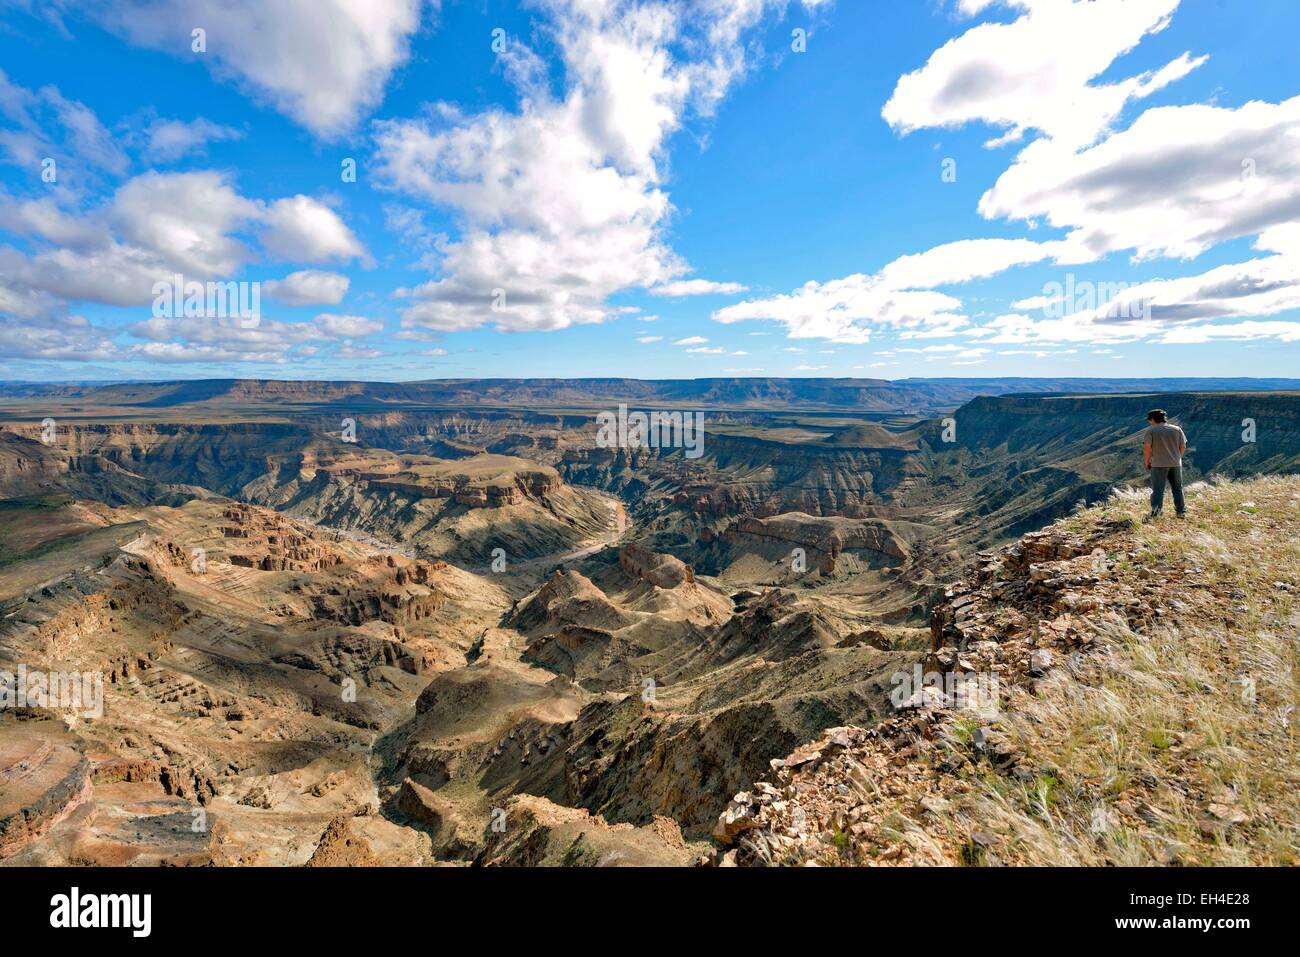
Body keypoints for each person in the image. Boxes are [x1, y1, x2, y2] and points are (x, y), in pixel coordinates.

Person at [1143, 409, 1187, 518]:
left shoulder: (1151, 430)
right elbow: (1183, 446)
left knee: (1158, 489)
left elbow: (1147, 447)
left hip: (1158, 464)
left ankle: (1156, 513)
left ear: (1153, 419)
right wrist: (1178, 457)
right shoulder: (1177, 429)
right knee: (1178, 488)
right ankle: (1181, 512)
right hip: (1176, 463)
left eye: (1149, 420)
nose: (1149, 422)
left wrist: (1147, 461)